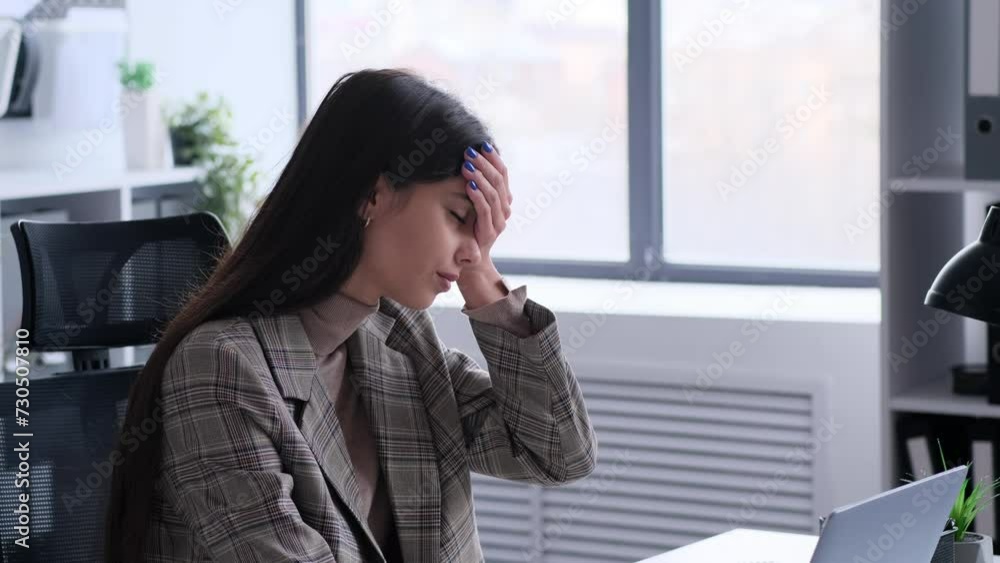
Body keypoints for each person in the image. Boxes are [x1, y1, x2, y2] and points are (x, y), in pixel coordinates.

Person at [104, 67, 598, 562]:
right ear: (372, 195)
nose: (473, 248)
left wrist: (482, 275)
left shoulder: (399, 339)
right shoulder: (222, 367)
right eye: (457, 216)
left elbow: (558, 454)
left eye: (483, 230)